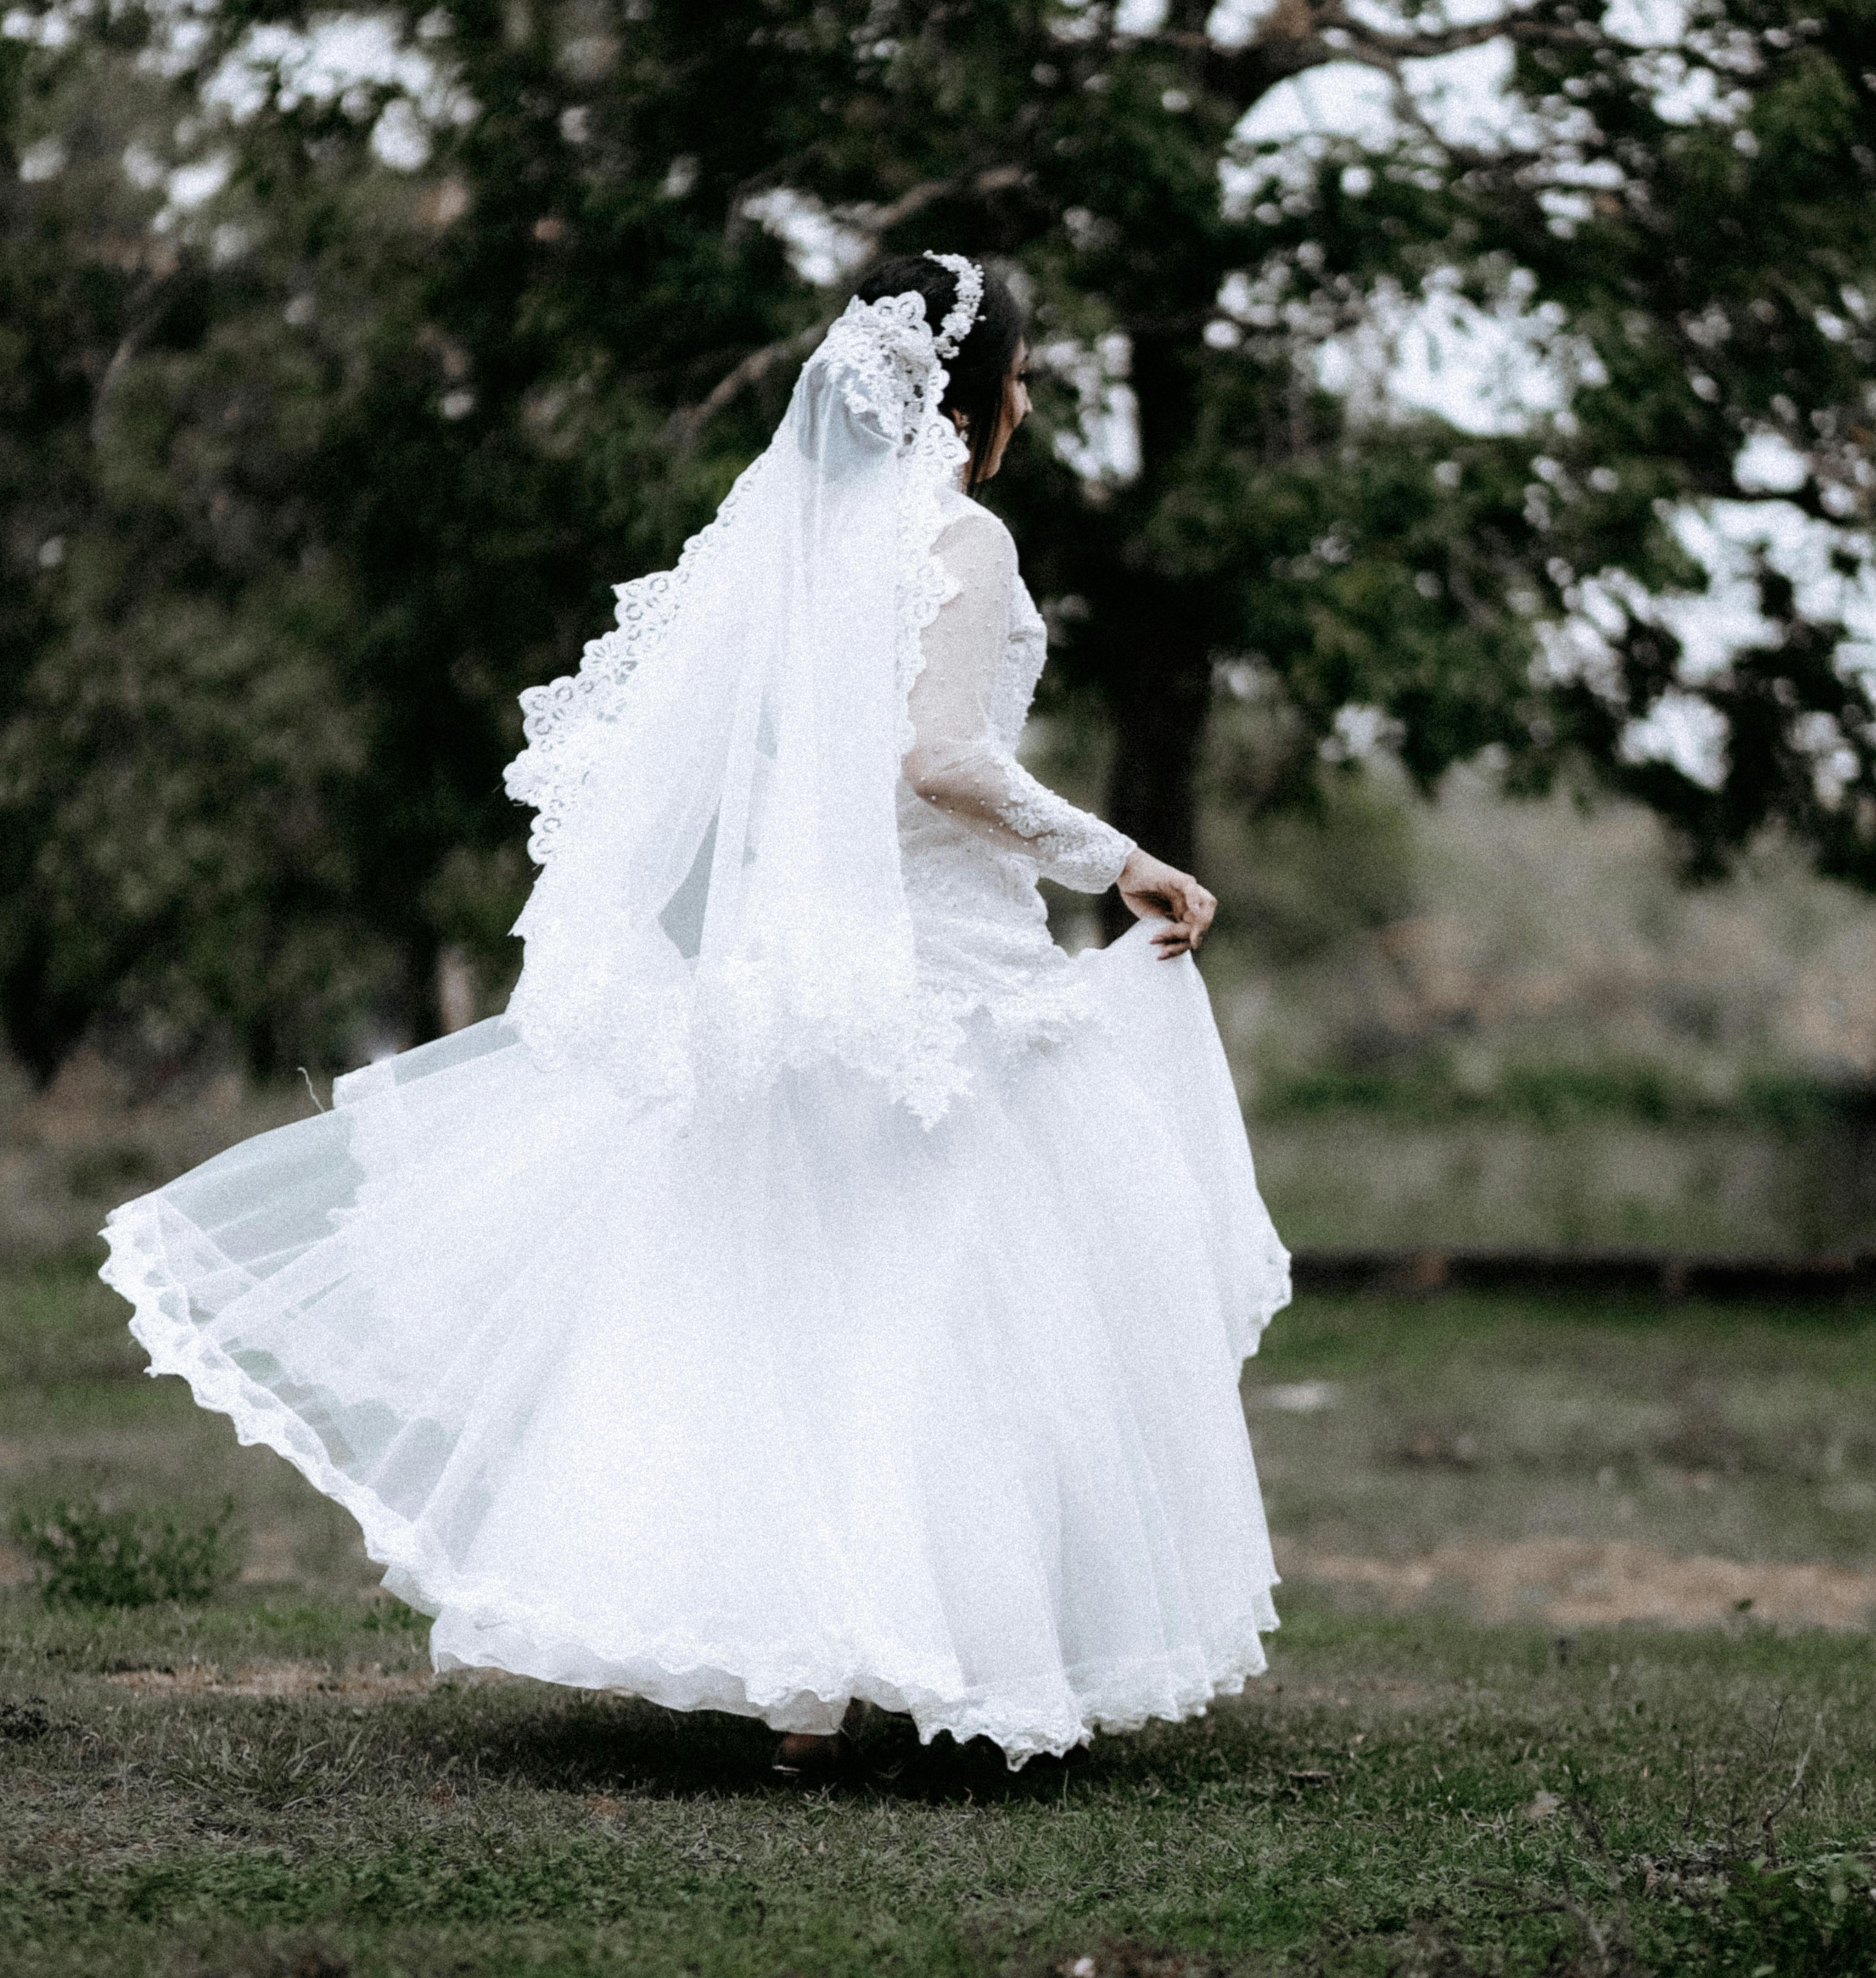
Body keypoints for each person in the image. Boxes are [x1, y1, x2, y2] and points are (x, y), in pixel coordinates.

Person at [101, 251, 1288, 1773]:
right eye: (1028, 376)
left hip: (803, 978)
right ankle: (889, 1661)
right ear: (971, 389)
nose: (1034, 403)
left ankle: (807, 1691)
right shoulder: (962, 539)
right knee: (946, 1318)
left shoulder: (798, 546)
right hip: (937, 977)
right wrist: (1118, 859)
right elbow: (941, 761)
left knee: (798, 1304)